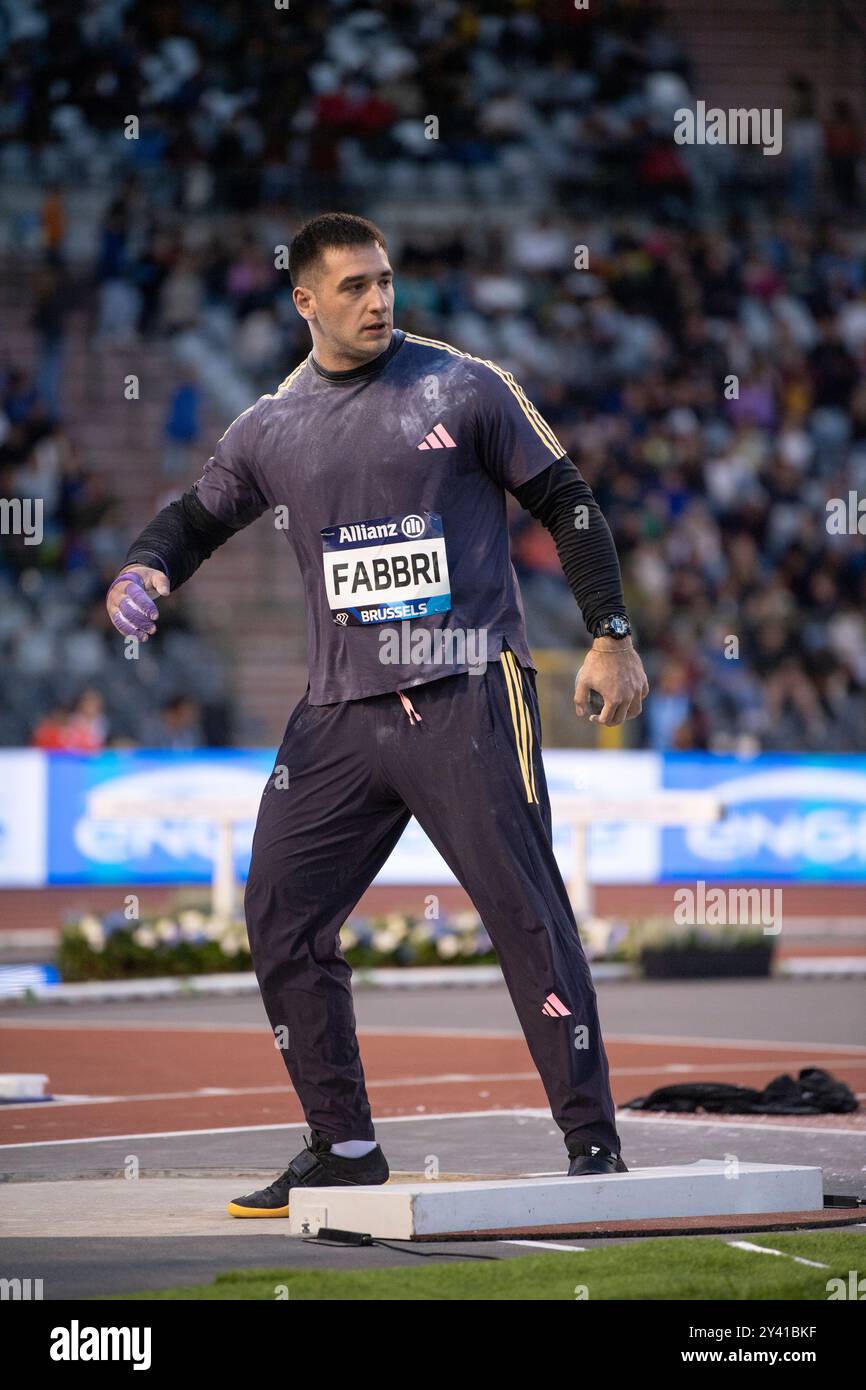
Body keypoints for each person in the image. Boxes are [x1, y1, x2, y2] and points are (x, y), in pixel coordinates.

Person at [105, 212, 649, 1216]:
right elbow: (195, 517)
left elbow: (567, 500)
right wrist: (145, 563)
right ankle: (343, 1141)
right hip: (338, 715)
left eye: (384, 280)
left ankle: (590, 1146)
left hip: (464, 688)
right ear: (303, 300)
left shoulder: (463, 385)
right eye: (352, 286)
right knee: (277, 914)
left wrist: (609, 633)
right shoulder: (269, 427)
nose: (377, 299)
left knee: (525, 912)